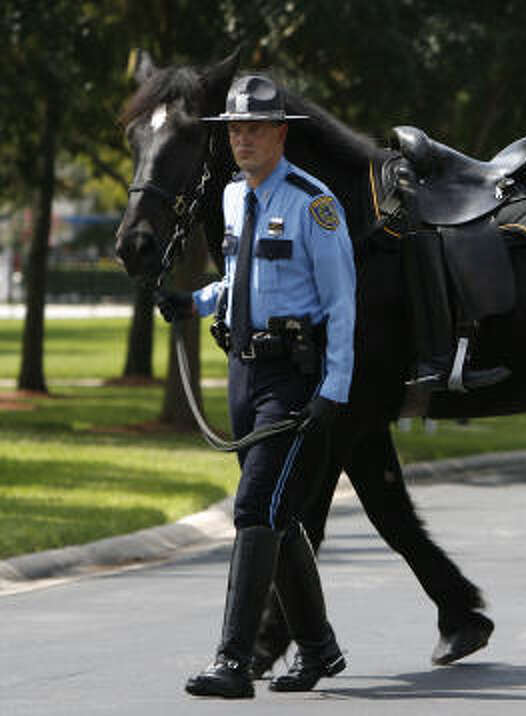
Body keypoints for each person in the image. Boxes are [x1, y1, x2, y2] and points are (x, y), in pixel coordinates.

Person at [156, 74, 354, 699]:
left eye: (254, 128)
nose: (241, 138)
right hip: (242, 372)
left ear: (280, 134)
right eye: (234, 129)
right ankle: (319, 649)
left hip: (293, 380)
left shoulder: (313, 203)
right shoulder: (233, 198)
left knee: (253, 509)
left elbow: (343, 304)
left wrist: (335, 390)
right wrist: (193, 302)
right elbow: (239, 279)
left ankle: (233, 662)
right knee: (280, 513)